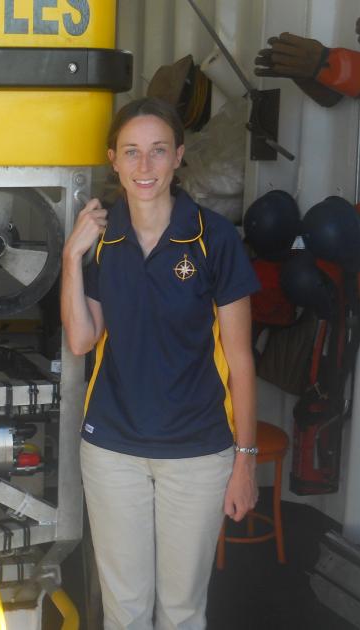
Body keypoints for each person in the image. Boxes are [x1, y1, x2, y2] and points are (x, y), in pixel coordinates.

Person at [60, 97, 260, 630]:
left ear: (178, 158)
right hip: (112, 450)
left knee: (181, 610)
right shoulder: (104, 238)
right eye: (132, 153)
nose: (144, 167)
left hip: (196, 452)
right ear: (114, 160)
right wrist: (71, 258)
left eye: (157, 152)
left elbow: (240, 360)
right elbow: (82, 339)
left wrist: (245, 459)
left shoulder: (214, 238)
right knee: (124, 610)